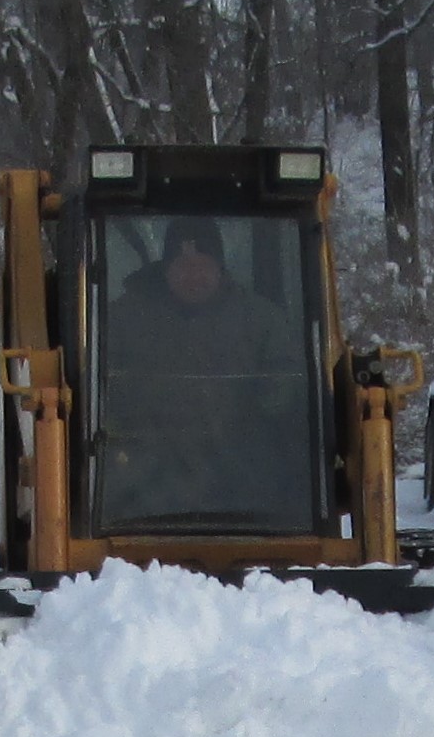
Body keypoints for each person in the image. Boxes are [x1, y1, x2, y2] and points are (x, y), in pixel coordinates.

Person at [99, 216, 311, 527]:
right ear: (166, 269)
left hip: (241, 479)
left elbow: (285, 385)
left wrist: (254, 413)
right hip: (145, 481)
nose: (193, 276)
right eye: (183, 266)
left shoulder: (261, 321)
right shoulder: (122, 320)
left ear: (219, 267)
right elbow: (99, 388)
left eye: (203, 266)